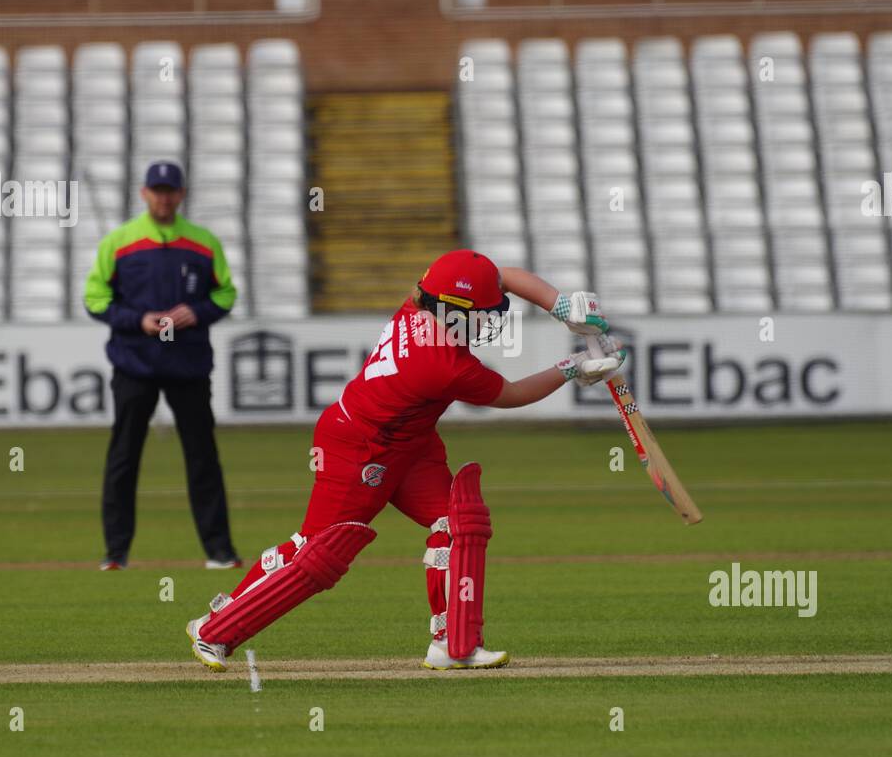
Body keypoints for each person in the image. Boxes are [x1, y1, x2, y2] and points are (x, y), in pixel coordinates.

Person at [186, 248, 624, 671]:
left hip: (412, 444)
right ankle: (217, 627)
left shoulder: (421, 303)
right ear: (454, 309)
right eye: (485, 315)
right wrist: (573, 367)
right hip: (357, 448)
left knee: (458, 523)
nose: (491, 322)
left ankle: (453, 643)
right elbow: (512, 395)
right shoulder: (444, 363)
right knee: (317, 553)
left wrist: (561, 304)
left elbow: (502, 275)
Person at [84, 161, 242, 571]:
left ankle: (220, 552)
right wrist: (138, 321)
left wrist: (197, 311)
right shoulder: (118, 242)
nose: (163, 197)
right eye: (157, 189)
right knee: (123, 457)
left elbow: (226, 294)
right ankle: (115, 554)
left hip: (187, 365)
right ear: (144, 193)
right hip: (135, 364)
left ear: (181, 194)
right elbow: (95, 298)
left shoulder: (204, 243)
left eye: (170, 190)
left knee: (203, 457)